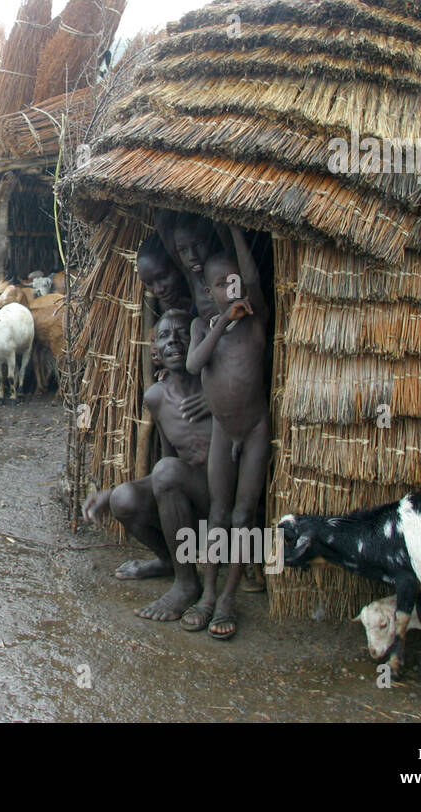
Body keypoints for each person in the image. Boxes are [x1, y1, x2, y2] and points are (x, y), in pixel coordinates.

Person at [83, 310, 213, 618]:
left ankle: (186, 584)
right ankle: (169, 560)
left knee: (167, 472)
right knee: (123, 497)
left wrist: (217, 398)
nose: (174, 342)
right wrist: (108, 494)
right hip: (190, 503)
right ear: (155, 354)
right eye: (164, 337)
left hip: (225, 504)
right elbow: (169, 465)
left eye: (182, 333)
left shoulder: (215, 385)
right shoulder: (156, 397)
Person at [182, 224, 270, 640]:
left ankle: (229, 599)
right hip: (222, 429)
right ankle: (208, 593)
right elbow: (194, 365)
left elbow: (250, 276)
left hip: (253, 430)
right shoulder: (204, 327)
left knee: (242, 516)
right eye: (221, 284)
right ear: (209, 289)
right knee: (217, 514)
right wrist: (220, 323)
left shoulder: (258, 321)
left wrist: (233, 228)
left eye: (235, 282)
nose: (231, 289)